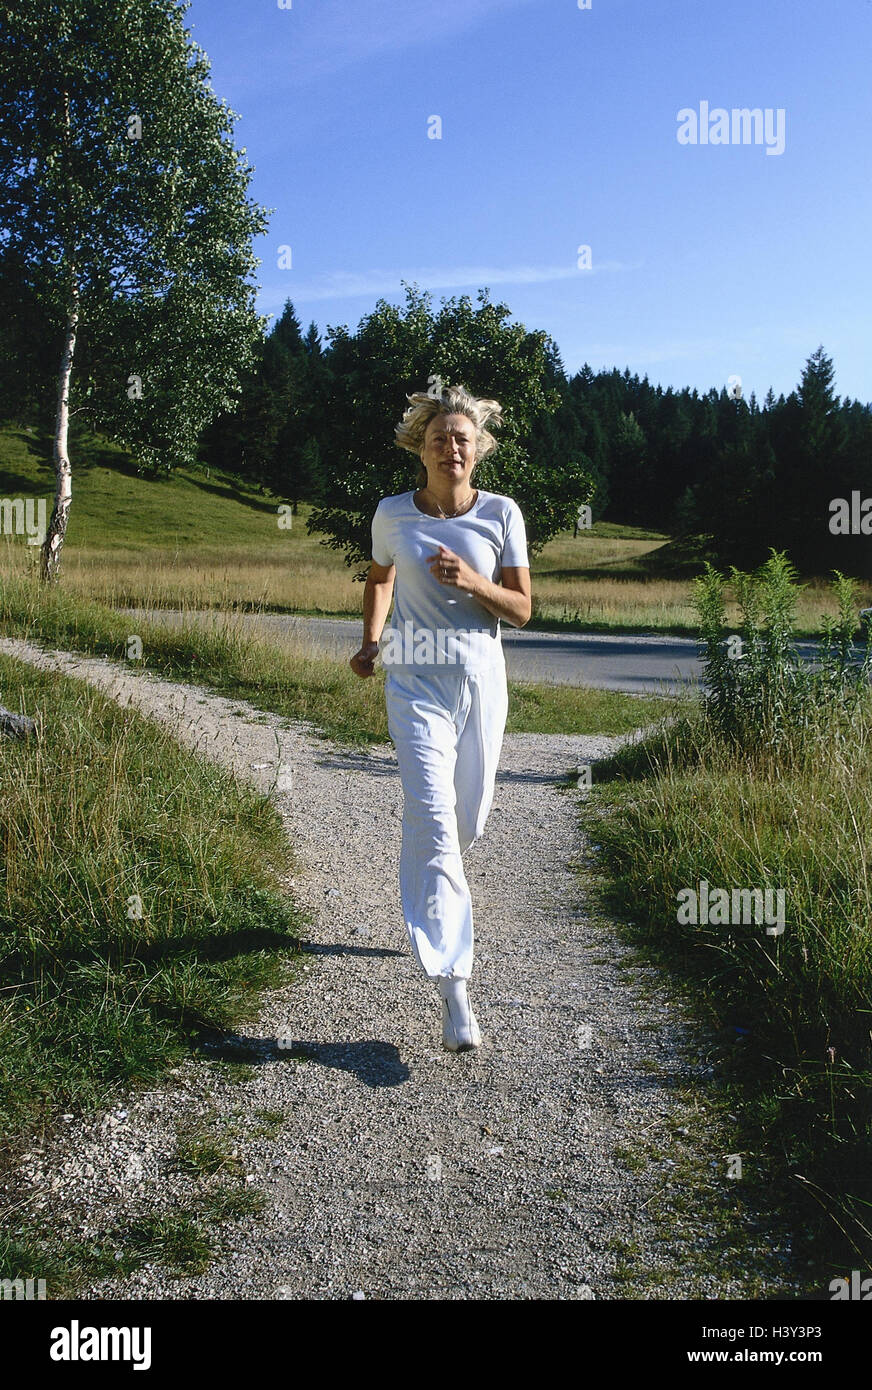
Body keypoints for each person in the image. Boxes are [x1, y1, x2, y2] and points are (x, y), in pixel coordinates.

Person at [349, 383, 531, 1052]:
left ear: (478, 448)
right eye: (438, 438)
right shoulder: (394, 514)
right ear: (420, 448)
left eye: (462, 438)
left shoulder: (502, 514)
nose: (450, 446)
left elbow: (521, 610)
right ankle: (454, 987)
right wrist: (371, 640)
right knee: (429, 813)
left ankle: (430, 881)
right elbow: (379, 578)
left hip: (481, 679)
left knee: (466, 819)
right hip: (414, 675)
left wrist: (473, 582)